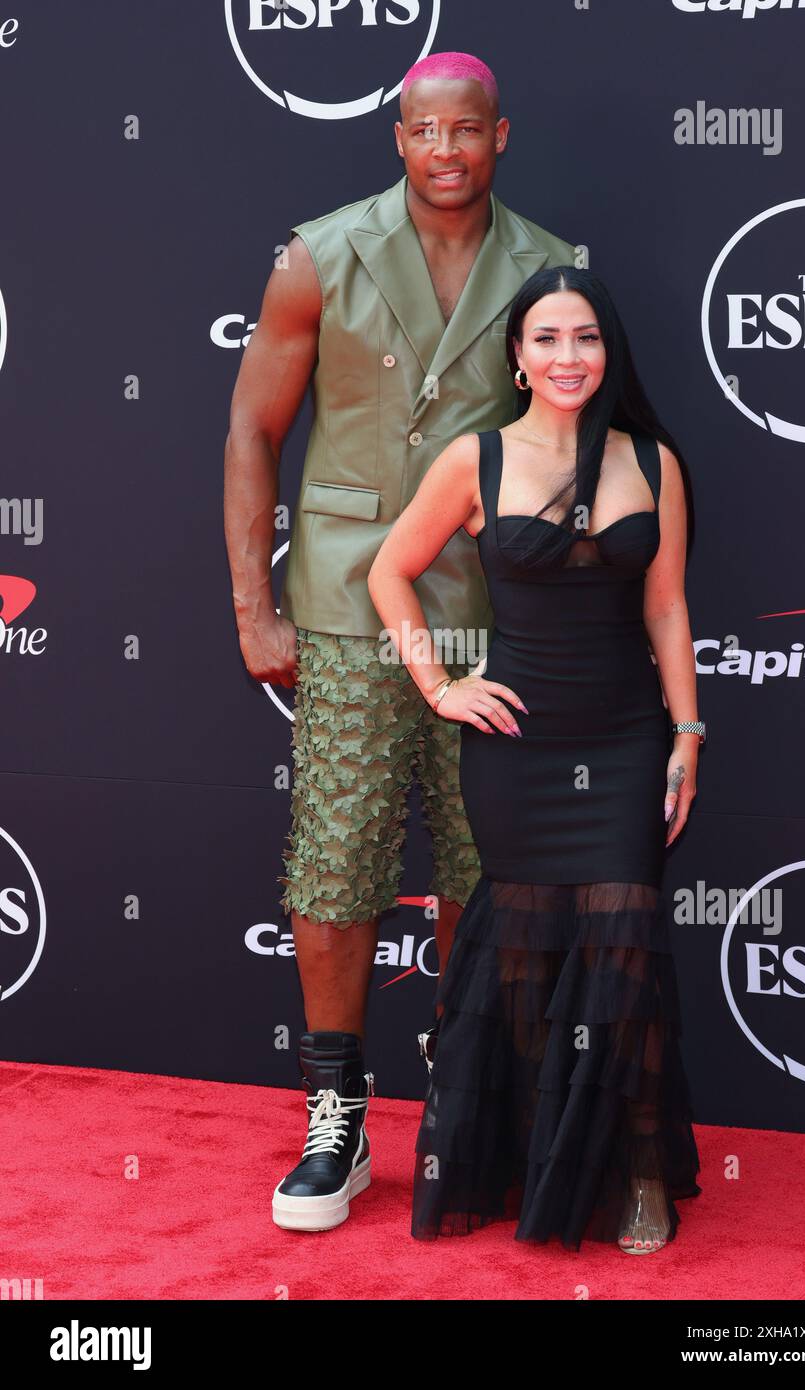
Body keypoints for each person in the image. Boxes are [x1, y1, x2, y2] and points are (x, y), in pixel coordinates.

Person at [222, 51, 579, 1232]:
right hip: (341, 606)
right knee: (335, 862)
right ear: (397, 138)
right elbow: (253, 428)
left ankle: (469, 1100)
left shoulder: (546, 269)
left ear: (498, 136)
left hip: (493, 613)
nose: (445, 152)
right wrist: (251, 605)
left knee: (484, 872)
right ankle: (337, 1113)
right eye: (424, 132)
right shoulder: (317, 253)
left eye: (465, 132)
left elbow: (576, 454)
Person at [367, 266, 704, 1255]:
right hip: (516, 746)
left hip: (626, 738)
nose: (568, 357)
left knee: (623, 953)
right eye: (547, 338)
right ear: (515, 356)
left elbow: (666, 605)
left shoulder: (650, 461)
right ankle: (530, 1159)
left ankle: (640, 1174)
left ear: (608, 353)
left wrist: (686, 733)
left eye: (586, 337)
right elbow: (389, 569)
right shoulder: (471, 460)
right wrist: (438, 687)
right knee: (523, 958)